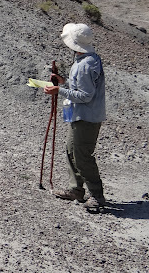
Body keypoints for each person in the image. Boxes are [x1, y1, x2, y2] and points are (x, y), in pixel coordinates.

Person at [43, 23, 107, 212]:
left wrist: (59, 90)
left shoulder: (86, 64)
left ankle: (96, 195)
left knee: (82, 156)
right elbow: (80, 86)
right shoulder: (86, 59)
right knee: (71, 150)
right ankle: (76, 190)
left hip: (87, 118)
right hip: (82, 115)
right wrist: (65, 82)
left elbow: (86, 95)